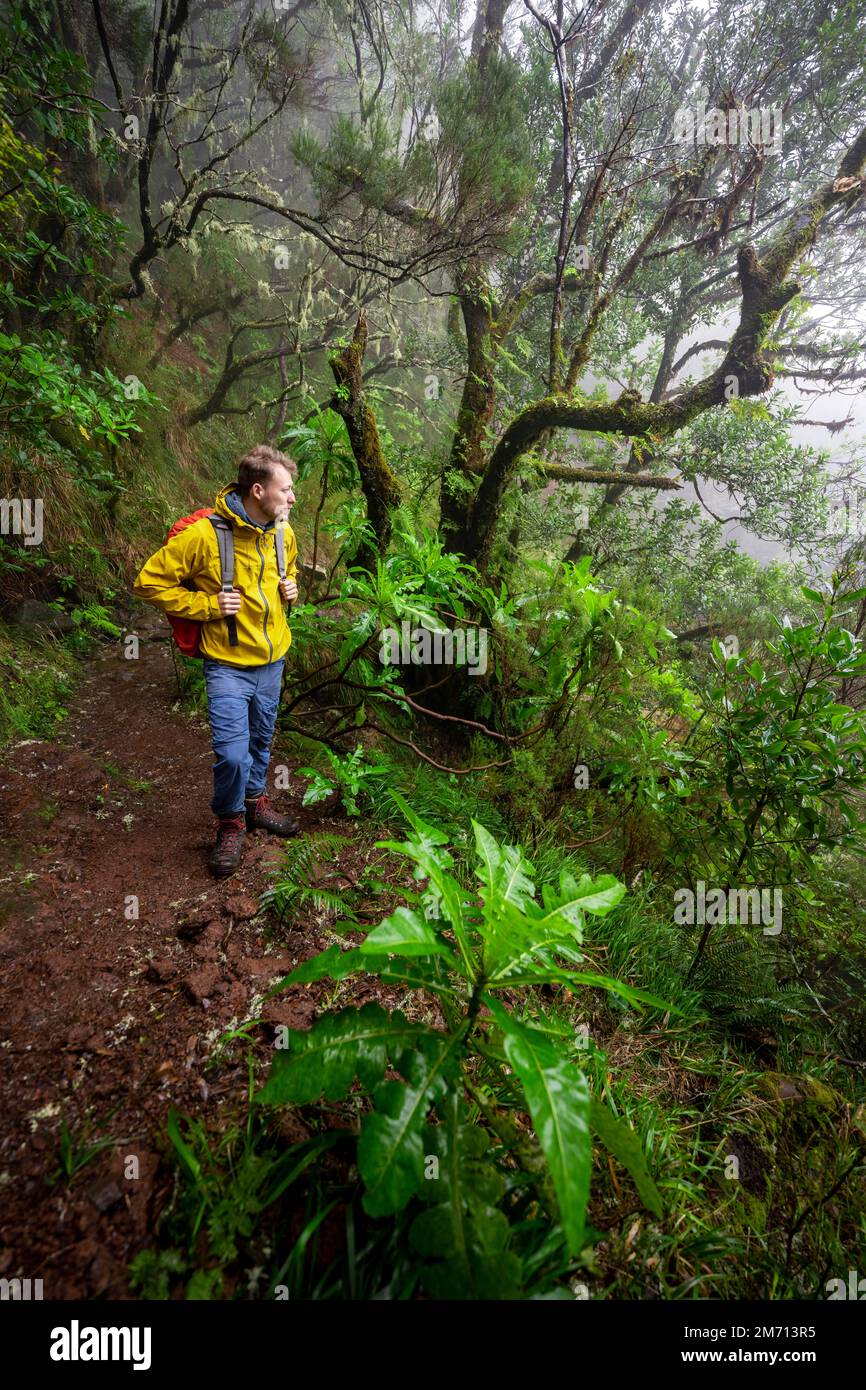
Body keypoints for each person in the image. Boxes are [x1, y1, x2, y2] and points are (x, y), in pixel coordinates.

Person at [133, 444, 301, 877]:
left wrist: (292, 589)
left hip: (273, 661)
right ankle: (230, 822)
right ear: (259, 490)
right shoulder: (206, 536)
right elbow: (148, 582)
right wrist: (207, 605)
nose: (292, 498)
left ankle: (255, 802)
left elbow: (290, 572)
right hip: (226, 664)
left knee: (261, 743)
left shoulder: (283, 532)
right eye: (286, 490)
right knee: (231, 754)